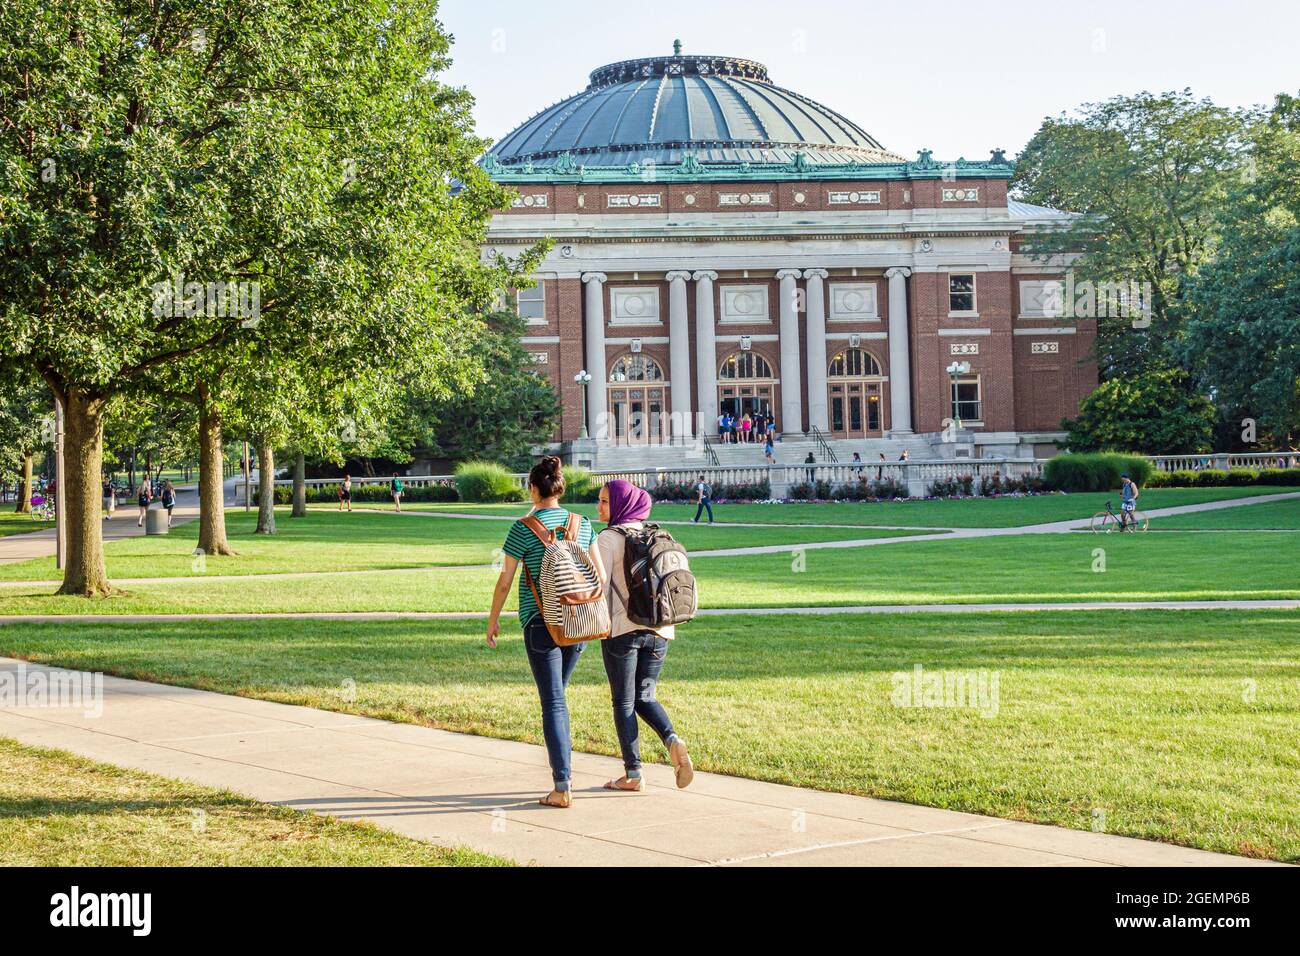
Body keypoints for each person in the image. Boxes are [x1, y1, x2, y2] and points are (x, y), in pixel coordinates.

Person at [485, 456, 605, 809]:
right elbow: (599, 574)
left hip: (540, 624)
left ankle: (562, 785)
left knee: (553, 701)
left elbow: (505, 580)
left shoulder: (523, 528)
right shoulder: (582, 524)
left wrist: (493, 619)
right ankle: (562, 776)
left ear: (533, 489)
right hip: (579, 623)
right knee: (558, 698)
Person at [595, 480, 694, 792]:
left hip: (622, 633)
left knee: (623, 701)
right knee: (646, 696)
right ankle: (672, 739)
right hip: (660, 631)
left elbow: (595, 585)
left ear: (620, 506)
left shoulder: (609, 539)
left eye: (604, 502)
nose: (599, 507)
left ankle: (633, 773)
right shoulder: (658, 535)